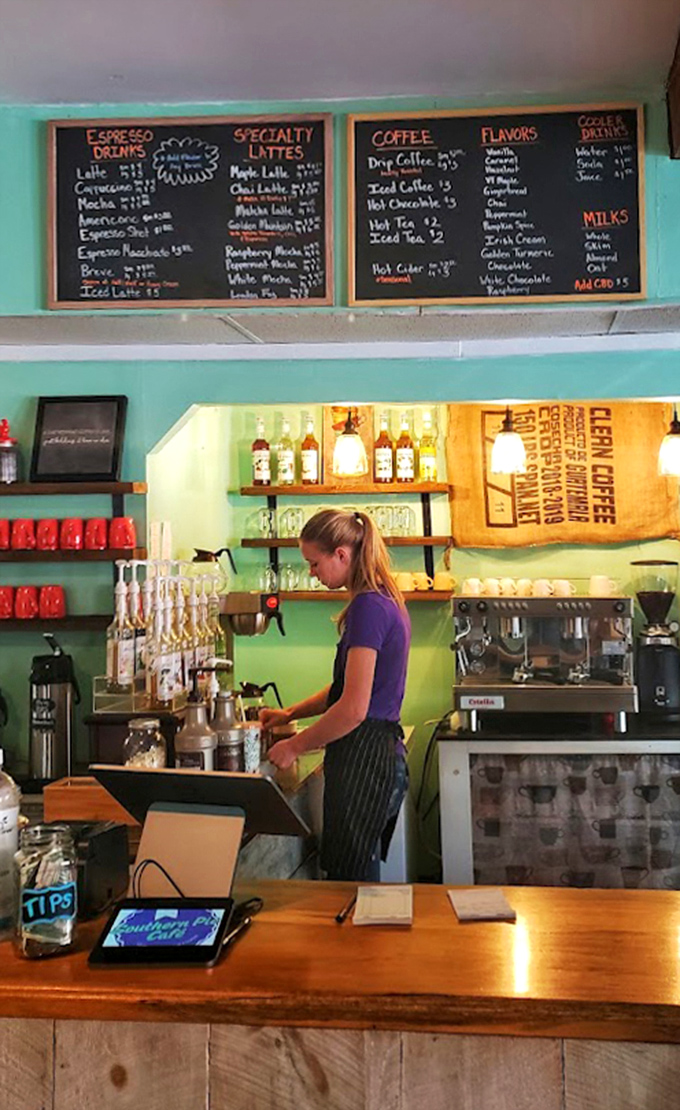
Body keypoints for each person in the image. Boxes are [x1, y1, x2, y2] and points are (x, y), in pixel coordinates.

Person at [260, 508, 411, 882]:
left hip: (367, 757)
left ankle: (360, 945)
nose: (312, 572)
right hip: (376, 754)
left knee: (352, 885)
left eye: (314, 563)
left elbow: (354, 709)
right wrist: (289, 714)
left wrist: (295, 746)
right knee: (359, 878)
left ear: (341, 554)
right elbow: (345, 688)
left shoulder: (369, 608)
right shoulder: (380, 599)